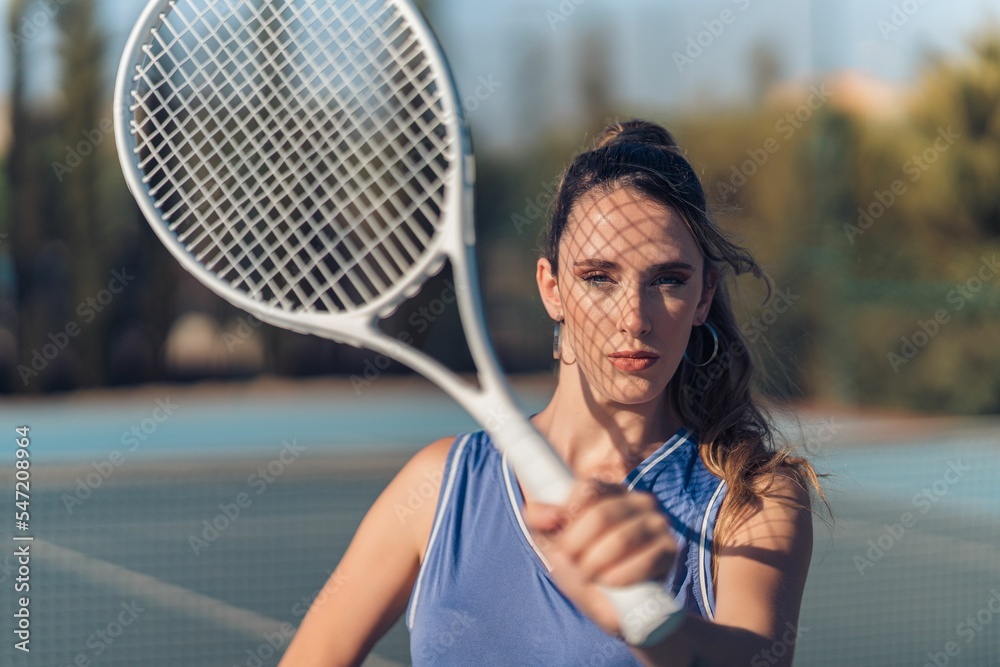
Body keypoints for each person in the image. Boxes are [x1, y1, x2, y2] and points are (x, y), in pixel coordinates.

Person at [279, 119, 824, 667]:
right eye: (598, 277)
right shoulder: (437, 486)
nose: (634, 319)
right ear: (552, 288)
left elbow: (755, 658)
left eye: (668, 279)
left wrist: (651, 625)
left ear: (704, 296)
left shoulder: (750, 496)